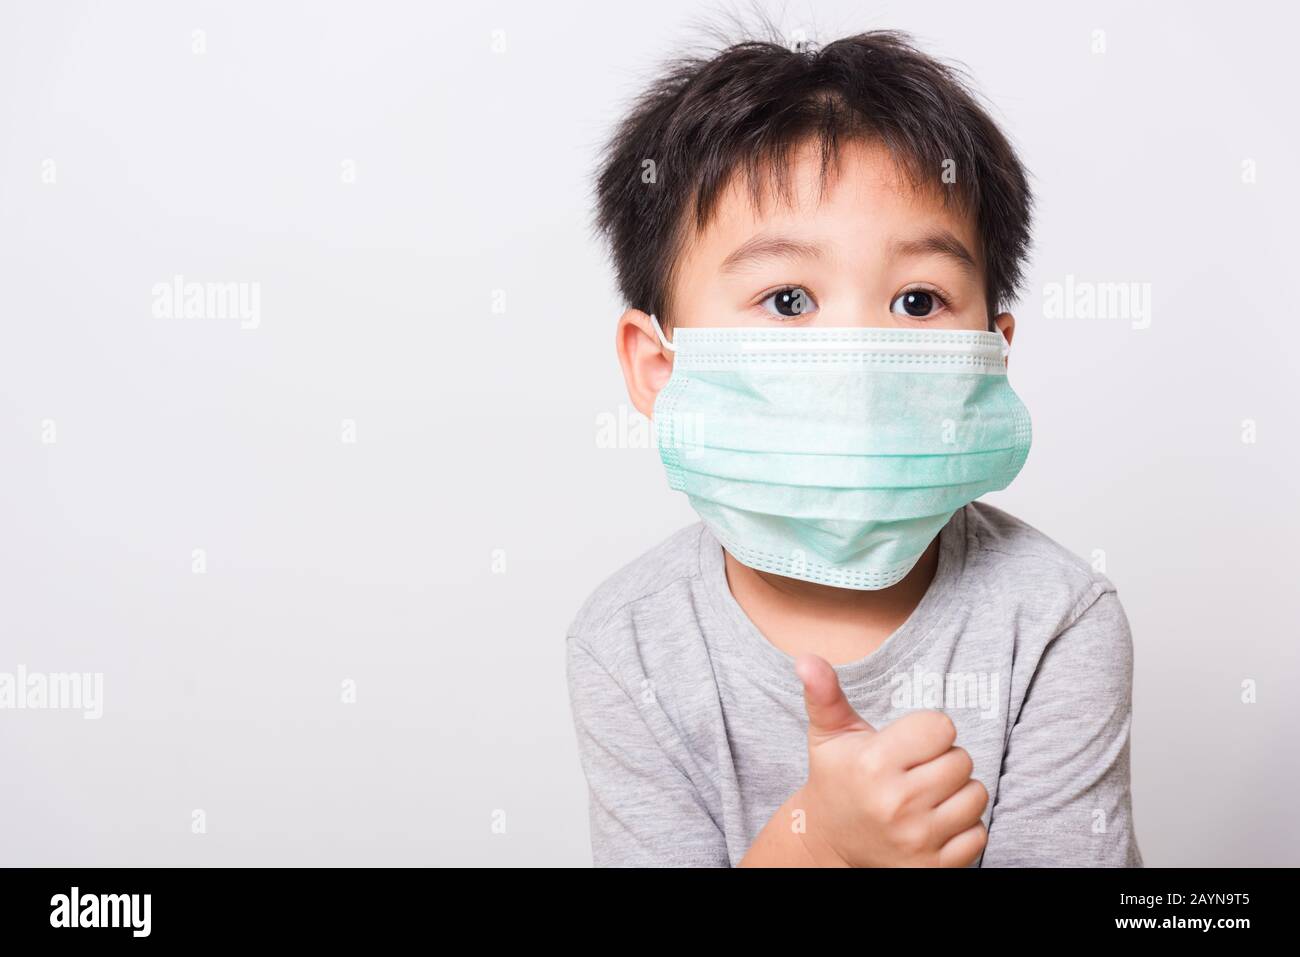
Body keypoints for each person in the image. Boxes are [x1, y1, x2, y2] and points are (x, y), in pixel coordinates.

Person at [567, 28, 1141, 868]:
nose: (861, 361)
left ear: (991, 354)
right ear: (658, 367)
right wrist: (819, 843)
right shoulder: (628, 644)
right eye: (788, 297)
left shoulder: (1056, 620)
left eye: (917, 300)